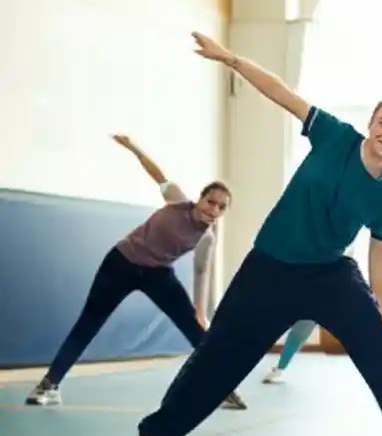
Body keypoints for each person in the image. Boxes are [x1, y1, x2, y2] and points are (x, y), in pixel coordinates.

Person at [112, 31, 382, 436]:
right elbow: (280, 92)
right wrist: (231, 59)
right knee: (217, 356)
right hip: (269, 269)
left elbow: (379, 259)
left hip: (330, 276)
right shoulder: (334, 136)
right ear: (371, 123)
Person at [25, 133, 243, 410]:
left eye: (221, 207)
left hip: (158, 275)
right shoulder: (177, 200)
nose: (214, 209)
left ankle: (222, 387)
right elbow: (158, 175)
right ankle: (49, 385)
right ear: (200, 199)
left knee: (194, 329)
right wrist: (133, 147)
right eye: (211, 202)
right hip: (121, 263)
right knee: (88, 323)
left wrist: (200, 311)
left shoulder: (207, 239)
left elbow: (202, 273)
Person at [260, 226, 382, 385]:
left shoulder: (373, 228)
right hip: (323, 275)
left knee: (367, 325)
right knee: (304, 323)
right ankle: (280, 366)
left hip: (346, 281)